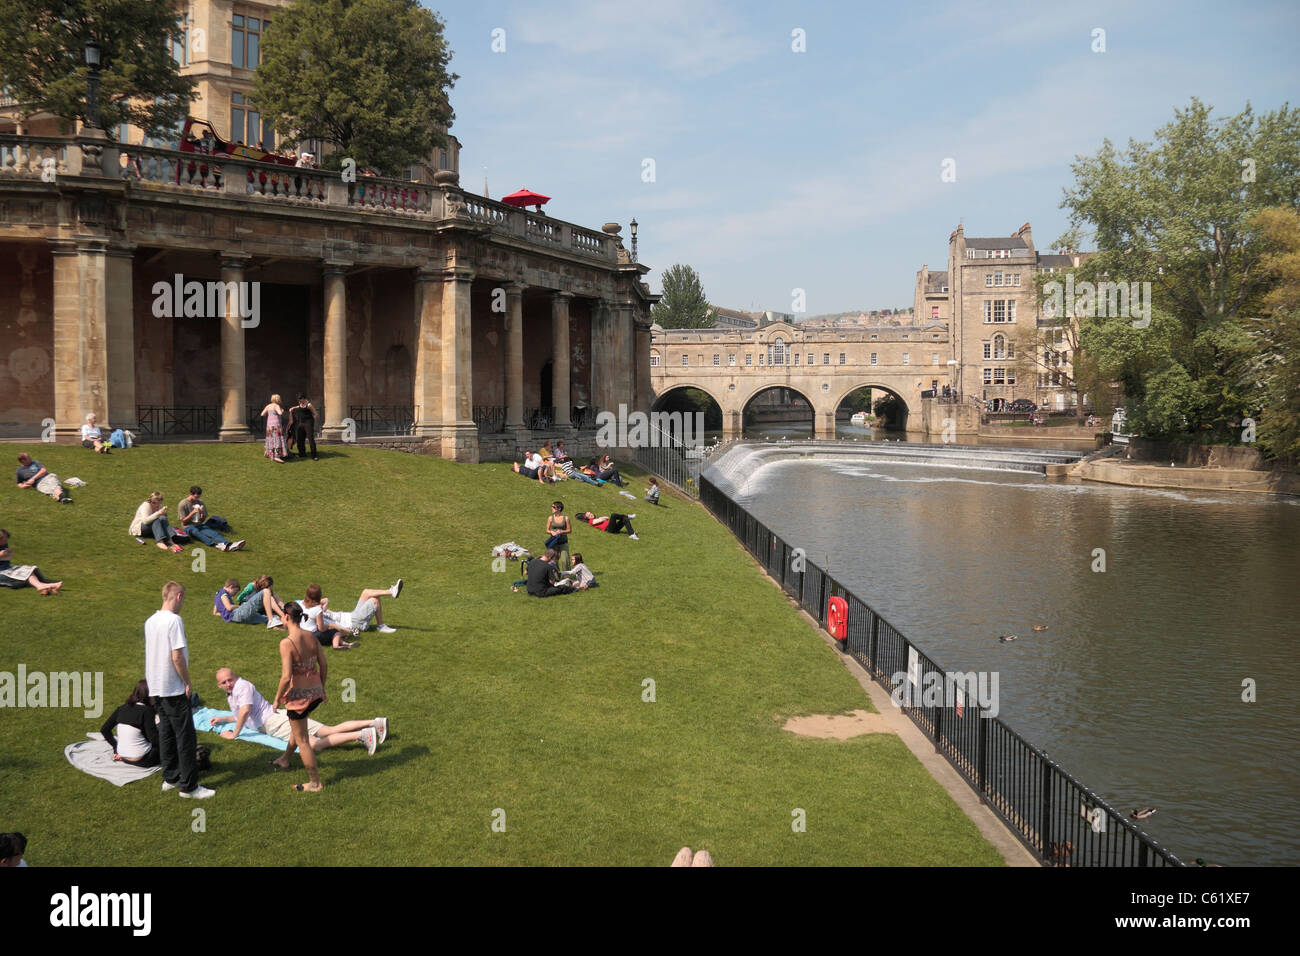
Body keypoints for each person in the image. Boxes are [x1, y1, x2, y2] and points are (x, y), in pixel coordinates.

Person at [212, 667, 382, 762]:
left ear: (236, 677)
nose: (228, 684)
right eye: (224, 682)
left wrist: (234, 734)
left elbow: (245, 711)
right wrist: (224, 719)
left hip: (275, 723)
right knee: (329, 730)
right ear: (219, 685)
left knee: (315, 745)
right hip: (280, 717)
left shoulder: (242, 687)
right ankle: (375, 723)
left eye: (230, 679)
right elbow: (242, 714)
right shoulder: (233, 693)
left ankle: (361, 735)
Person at [145, 581, 214, 799]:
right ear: (179, 597)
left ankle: (171, 777)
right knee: (185, 737)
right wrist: (187, 682)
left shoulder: (151, 621)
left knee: (166, 733)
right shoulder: (174, 621)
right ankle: (189, 786)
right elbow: (177, 656)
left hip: (155, 686)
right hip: (172, 687)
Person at [272, 604, 328, 792]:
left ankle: (315, 782)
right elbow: (324, 664)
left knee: (302, 739)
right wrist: (322, 687)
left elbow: (286, 677)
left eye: (281, 615)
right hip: (316, 694)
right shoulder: (311, 636)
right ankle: (285, 759)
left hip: (299, 699)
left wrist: (277, 698)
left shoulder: (286, 643)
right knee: (297, 729)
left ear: (287, 617)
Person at [99, 680, 160, 767]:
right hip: (143, 760)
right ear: (149, 696)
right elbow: (154, 740)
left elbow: (104, 730)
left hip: (123, 756)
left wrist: (115, 746)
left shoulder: (121, 709)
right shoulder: (147, 712)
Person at [319, 579, 403, 635]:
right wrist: (352, 631)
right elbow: (335, 627)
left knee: (366, 592)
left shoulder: (310, 608)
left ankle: (392, 591)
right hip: (354, 623)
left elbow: (325, 603)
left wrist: (334, 612)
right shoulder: (318, 622)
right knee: (374, 601)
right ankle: (381, 626)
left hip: (351, 615)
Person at [177, 486, 245, 551]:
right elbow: (183, 522)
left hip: (199, 525)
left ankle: (229, 544)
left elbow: (202, 520)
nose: (197, 499)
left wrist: (201, 514)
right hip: (188, 527)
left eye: (198, 497)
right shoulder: (183, 504)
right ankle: (215, 545)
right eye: (196, 497)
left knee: (213, 533)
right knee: (196, 532)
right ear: (191, 494)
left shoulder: (200, 502)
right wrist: (192, 513)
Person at [0, 528, 62, 594]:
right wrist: (1, 555)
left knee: (27, 569)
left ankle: (40, 585)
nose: (7, 541)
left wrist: (6, 554)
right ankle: (41, 585)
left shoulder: (3, 544)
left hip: (7, 569)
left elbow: (10, 557)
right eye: (5, 539)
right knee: (24, 573)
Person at [296, 584, 357, 649]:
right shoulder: (317, 609)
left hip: (301, 635)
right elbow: (321, 628)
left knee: (330, 634)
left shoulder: (300, 604)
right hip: (313, 636)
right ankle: (336, 646)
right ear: (318, 596)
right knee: (335, 631)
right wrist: (328, 626)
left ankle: (346, 643)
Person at [213, 577, 284, 625]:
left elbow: (215, 612)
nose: (234, 594)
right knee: (266, 591)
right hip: (238, 613)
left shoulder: (218, 594)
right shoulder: (224, 593)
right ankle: (272, 619)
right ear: (231, 587)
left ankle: (276, 622)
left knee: (268, 620)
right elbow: (229, 607)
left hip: (235, 618)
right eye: (235, 592)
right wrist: (239, 606)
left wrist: (225, 616)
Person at [288, 394, 318, 461]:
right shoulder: (300, 404)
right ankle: (302, 453)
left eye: (300, 399)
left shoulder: (309, 405)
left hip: (308, 423)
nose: (299, 400)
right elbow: (298, 407)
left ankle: (314, 455)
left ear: (304, 398)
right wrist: (292, 408)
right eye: (298, 399)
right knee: (300, 439)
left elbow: (315, 414)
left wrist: (312, 422)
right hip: (301, 423)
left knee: (311, 439)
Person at [260, 394, 288, 463]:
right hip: (276, 425)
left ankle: (269, 453)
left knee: (270, 439)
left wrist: (269, 414)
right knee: (277, 439)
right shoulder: (276, 406)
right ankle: (276, 456)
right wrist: (282, 410)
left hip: (269, 426)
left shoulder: (268, 406)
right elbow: (280, 413)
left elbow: (262, 414)